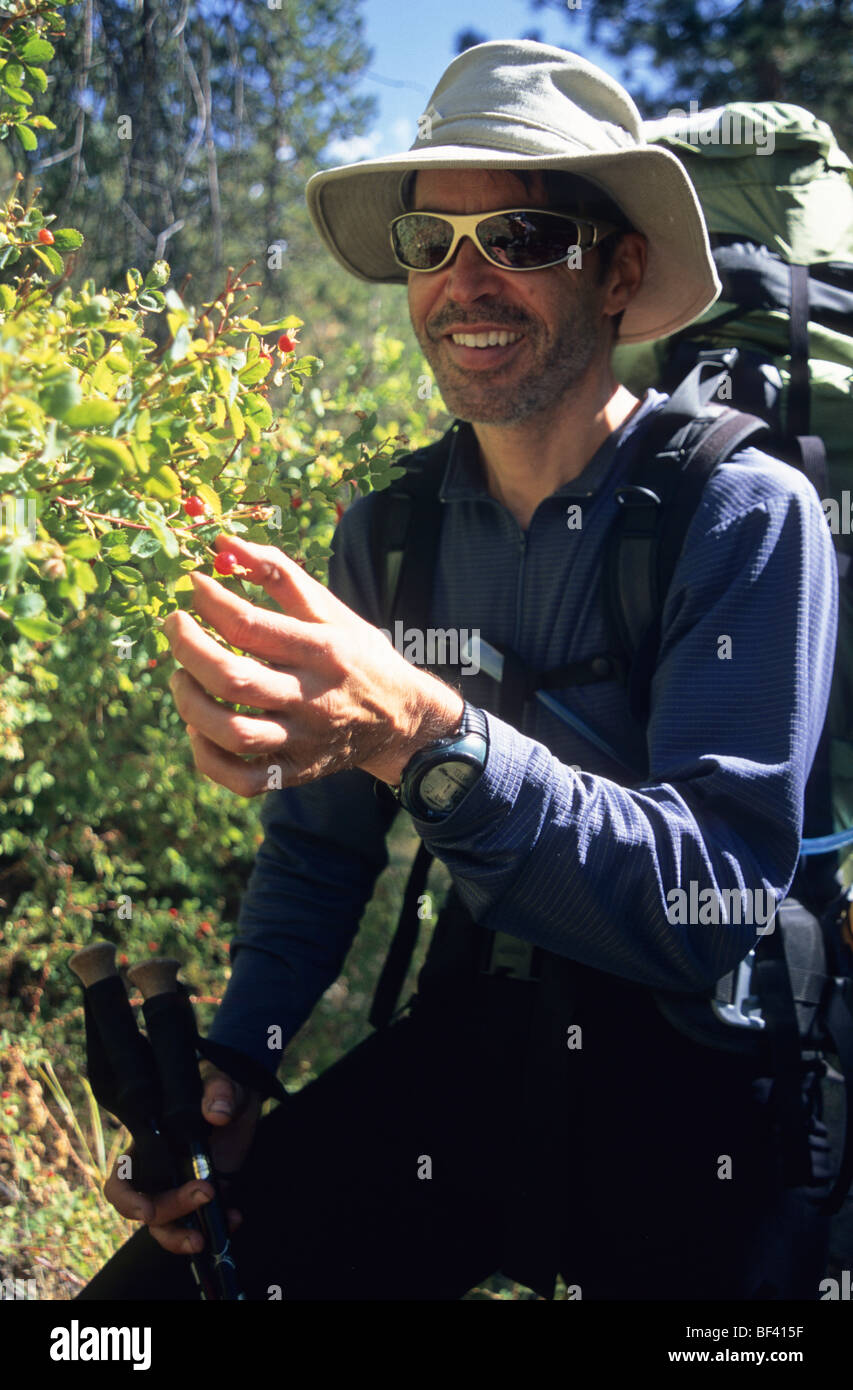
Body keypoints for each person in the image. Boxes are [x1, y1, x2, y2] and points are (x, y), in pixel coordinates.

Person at [78, 40, 838, 1302]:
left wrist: (421, 730)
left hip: (710, 1083)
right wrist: (239, 1071)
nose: (463, 282)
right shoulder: (391, 531)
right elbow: (321, 850)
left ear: (620, 271)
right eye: (431, 245)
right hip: (482, 1039)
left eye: (523, 237)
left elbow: (710, 899)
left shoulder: (743, 513)